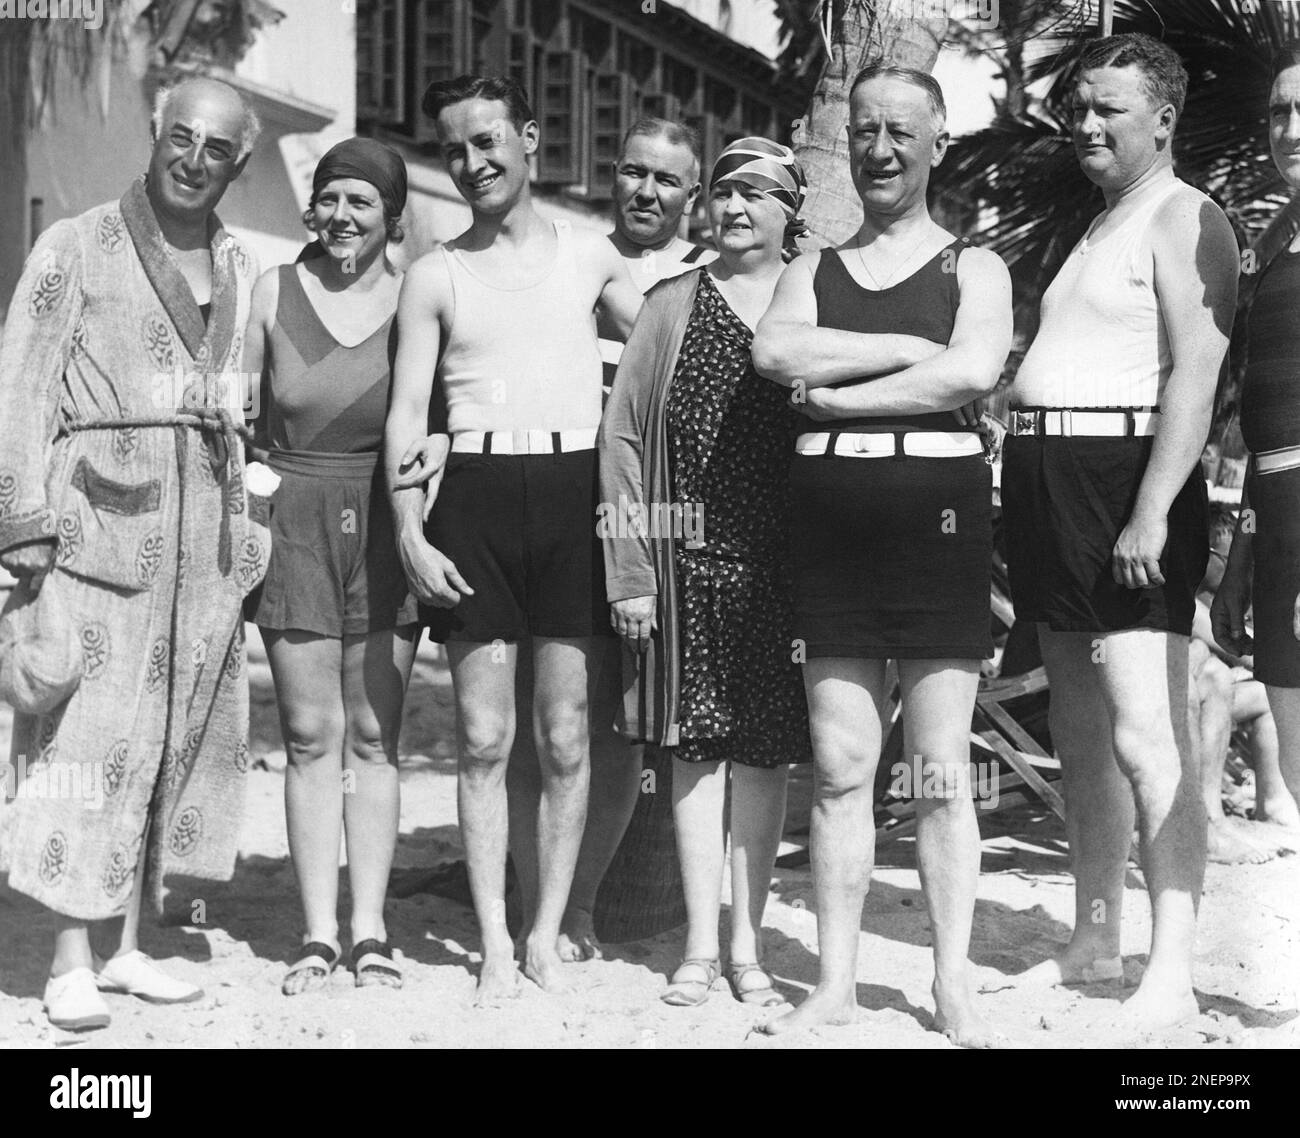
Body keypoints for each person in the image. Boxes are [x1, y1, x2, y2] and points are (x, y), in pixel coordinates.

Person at [751, 65, 1013, 1043]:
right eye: (864, 130)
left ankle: (950, 979)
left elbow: (976, 369)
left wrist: (841, 393)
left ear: (939, 142)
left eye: (902, 130)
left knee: (941, 764)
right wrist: (910, 349)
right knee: (839, 761)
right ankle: (833, 982)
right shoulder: (807, 269)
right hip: (831, 522)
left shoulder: (973, 268)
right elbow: (775, 356)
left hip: (936, 519)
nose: (880, 148)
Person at [0, 77, 267, 1030]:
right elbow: (20, 380)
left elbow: (238, 387)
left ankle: (126, 949)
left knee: (169, 737)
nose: (193, 160)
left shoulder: (238, 262)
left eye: (215, 149)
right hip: (93, 523)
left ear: (240, 162)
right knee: (85, 731)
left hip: (201, 532)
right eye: (180, 138)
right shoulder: (73, 244)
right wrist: (19, 520)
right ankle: (67, 957)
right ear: (155, 135)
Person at [383, 74, 641, 1001]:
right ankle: (493, 938)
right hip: (476, 505)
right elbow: (408, 417)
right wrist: (411, 534)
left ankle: (547, 928)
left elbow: (667, 349)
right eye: (454, 149)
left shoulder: (591, 256)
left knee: (567, 736)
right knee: (485, 740)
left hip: (576, 498)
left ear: (528, 139)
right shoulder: (434, 273)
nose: (473, 162)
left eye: (488, 141)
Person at [999, 33, 1238, 1031]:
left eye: (1109, 109)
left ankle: (1170, 966)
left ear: (1163, 119)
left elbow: (1197, 369)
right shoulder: (1102, 225)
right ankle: (1093, 938)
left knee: (1149, 731)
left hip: (1126, 481)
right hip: (1050, 477)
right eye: (1078, 108)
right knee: (1080, 728)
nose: (1085, 126)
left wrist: (1149, 508)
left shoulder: (1187, 216)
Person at [601, 137, 813, 1008]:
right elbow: (622, 437)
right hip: (684, 563)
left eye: (757, 196)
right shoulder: (669, 303)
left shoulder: (815, 300)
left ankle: (748, 946)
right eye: (724, 193)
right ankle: (696, 943)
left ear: (789, 213)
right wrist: (631, 571)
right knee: (694, 754)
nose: (735, 208)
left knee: (764, 757)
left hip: (788, 566)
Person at [509, 116, 718, 962]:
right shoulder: (568, 259)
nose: (646, 192)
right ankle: (532, 909)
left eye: (667, 181)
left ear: (692, 196)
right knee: (546, 725)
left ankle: (585, 908)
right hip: (563, 509)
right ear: (611, 173)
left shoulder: (714, 278)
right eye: (633, 171)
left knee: (625, 732)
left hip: (664, 526)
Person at [242, 138, 418, 994]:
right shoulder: (272, 291)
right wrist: (249, 517)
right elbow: (237, 423)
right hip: (295, 518)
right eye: (331, 200)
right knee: (311, 736)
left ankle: (372, 931)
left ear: (393, 218)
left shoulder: (417, 298)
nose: (344, 218)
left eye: (364, 204)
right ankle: (317, 934)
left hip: (388, 518)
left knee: (377, 736)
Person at [1212, 40, 1300, 844]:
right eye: (1280, 111)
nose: (1292, 129)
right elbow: (1262, 421)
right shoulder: (1274, 244)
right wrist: (1244, 549)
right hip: (1275, 509)